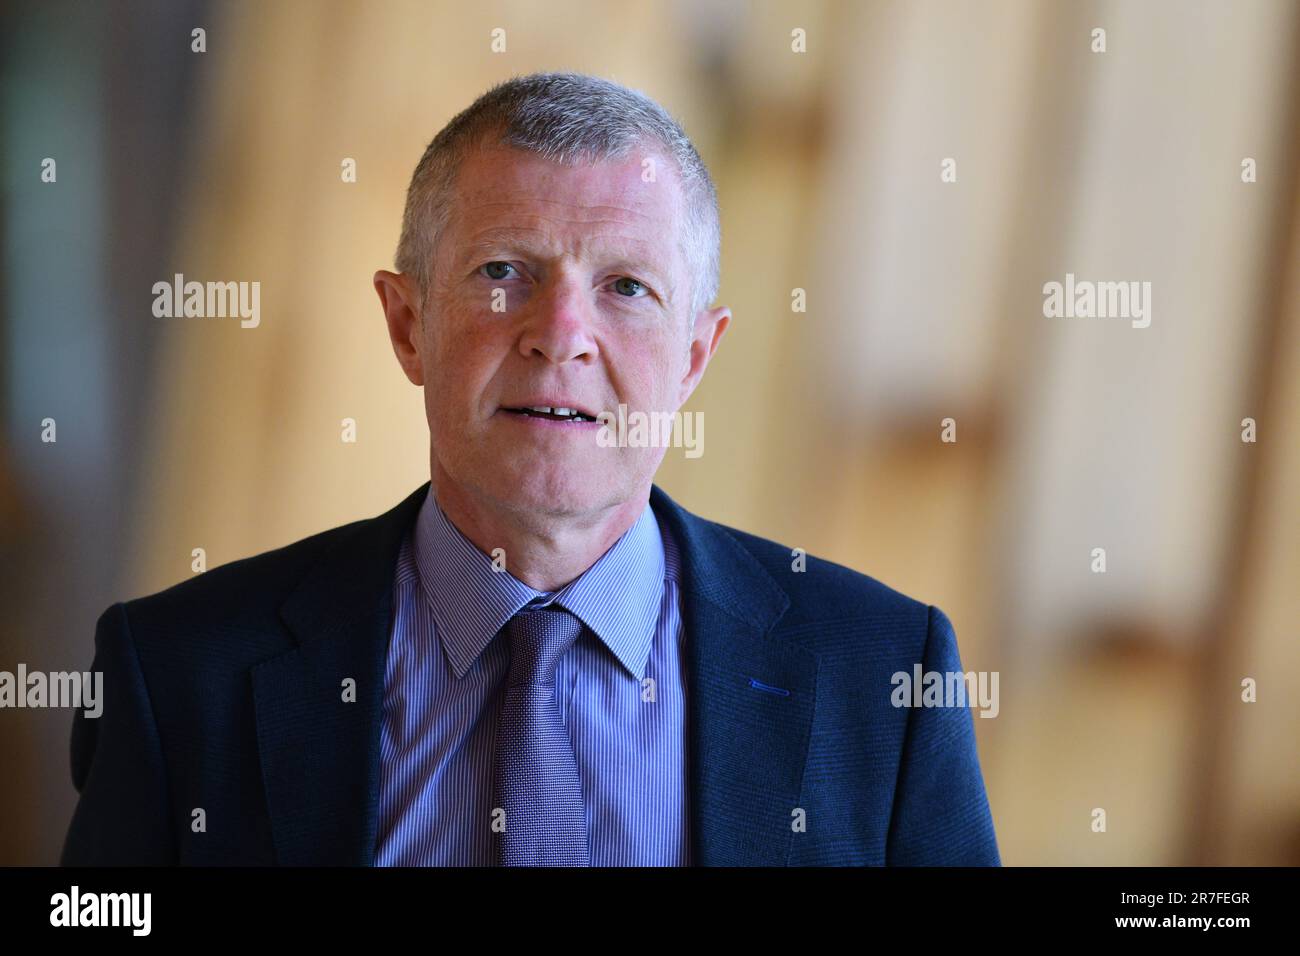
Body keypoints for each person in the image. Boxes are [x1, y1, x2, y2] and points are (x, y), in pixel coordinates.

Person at [61, 71, 999, 866]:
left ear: (695, 357)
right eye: (504, 270)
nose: (560, 338)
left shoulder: (885, 677)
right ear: (408, 324)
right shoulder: (180, 675)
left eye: (627, 287)